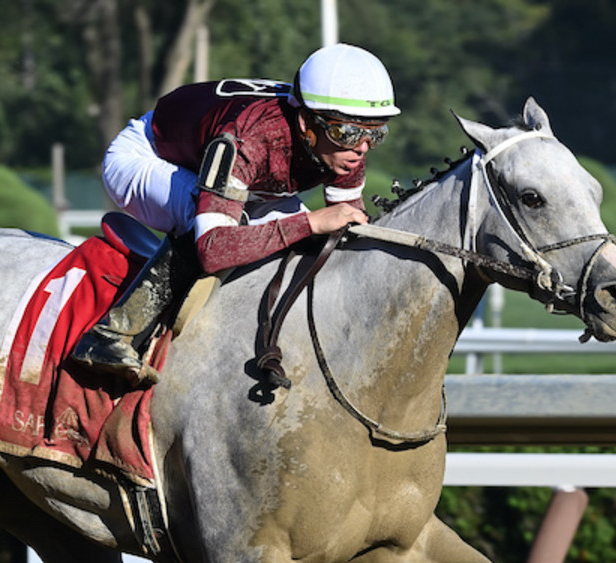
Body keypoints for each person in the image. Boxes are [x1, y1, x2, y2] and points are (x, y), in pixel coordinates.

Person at [71, 42, 399, 382]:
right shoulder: (247, 140)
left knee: (306, 239)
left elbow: (348, 226)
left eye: (376, 134)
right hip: (148, 158)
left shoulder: (343, 145)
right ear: (306, 122)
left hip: (245, 176)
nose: (361, 148)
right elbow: (213, 248)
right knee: (226, 227)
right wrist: (310, 221)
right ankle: (110, 335)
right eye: (347, 132)